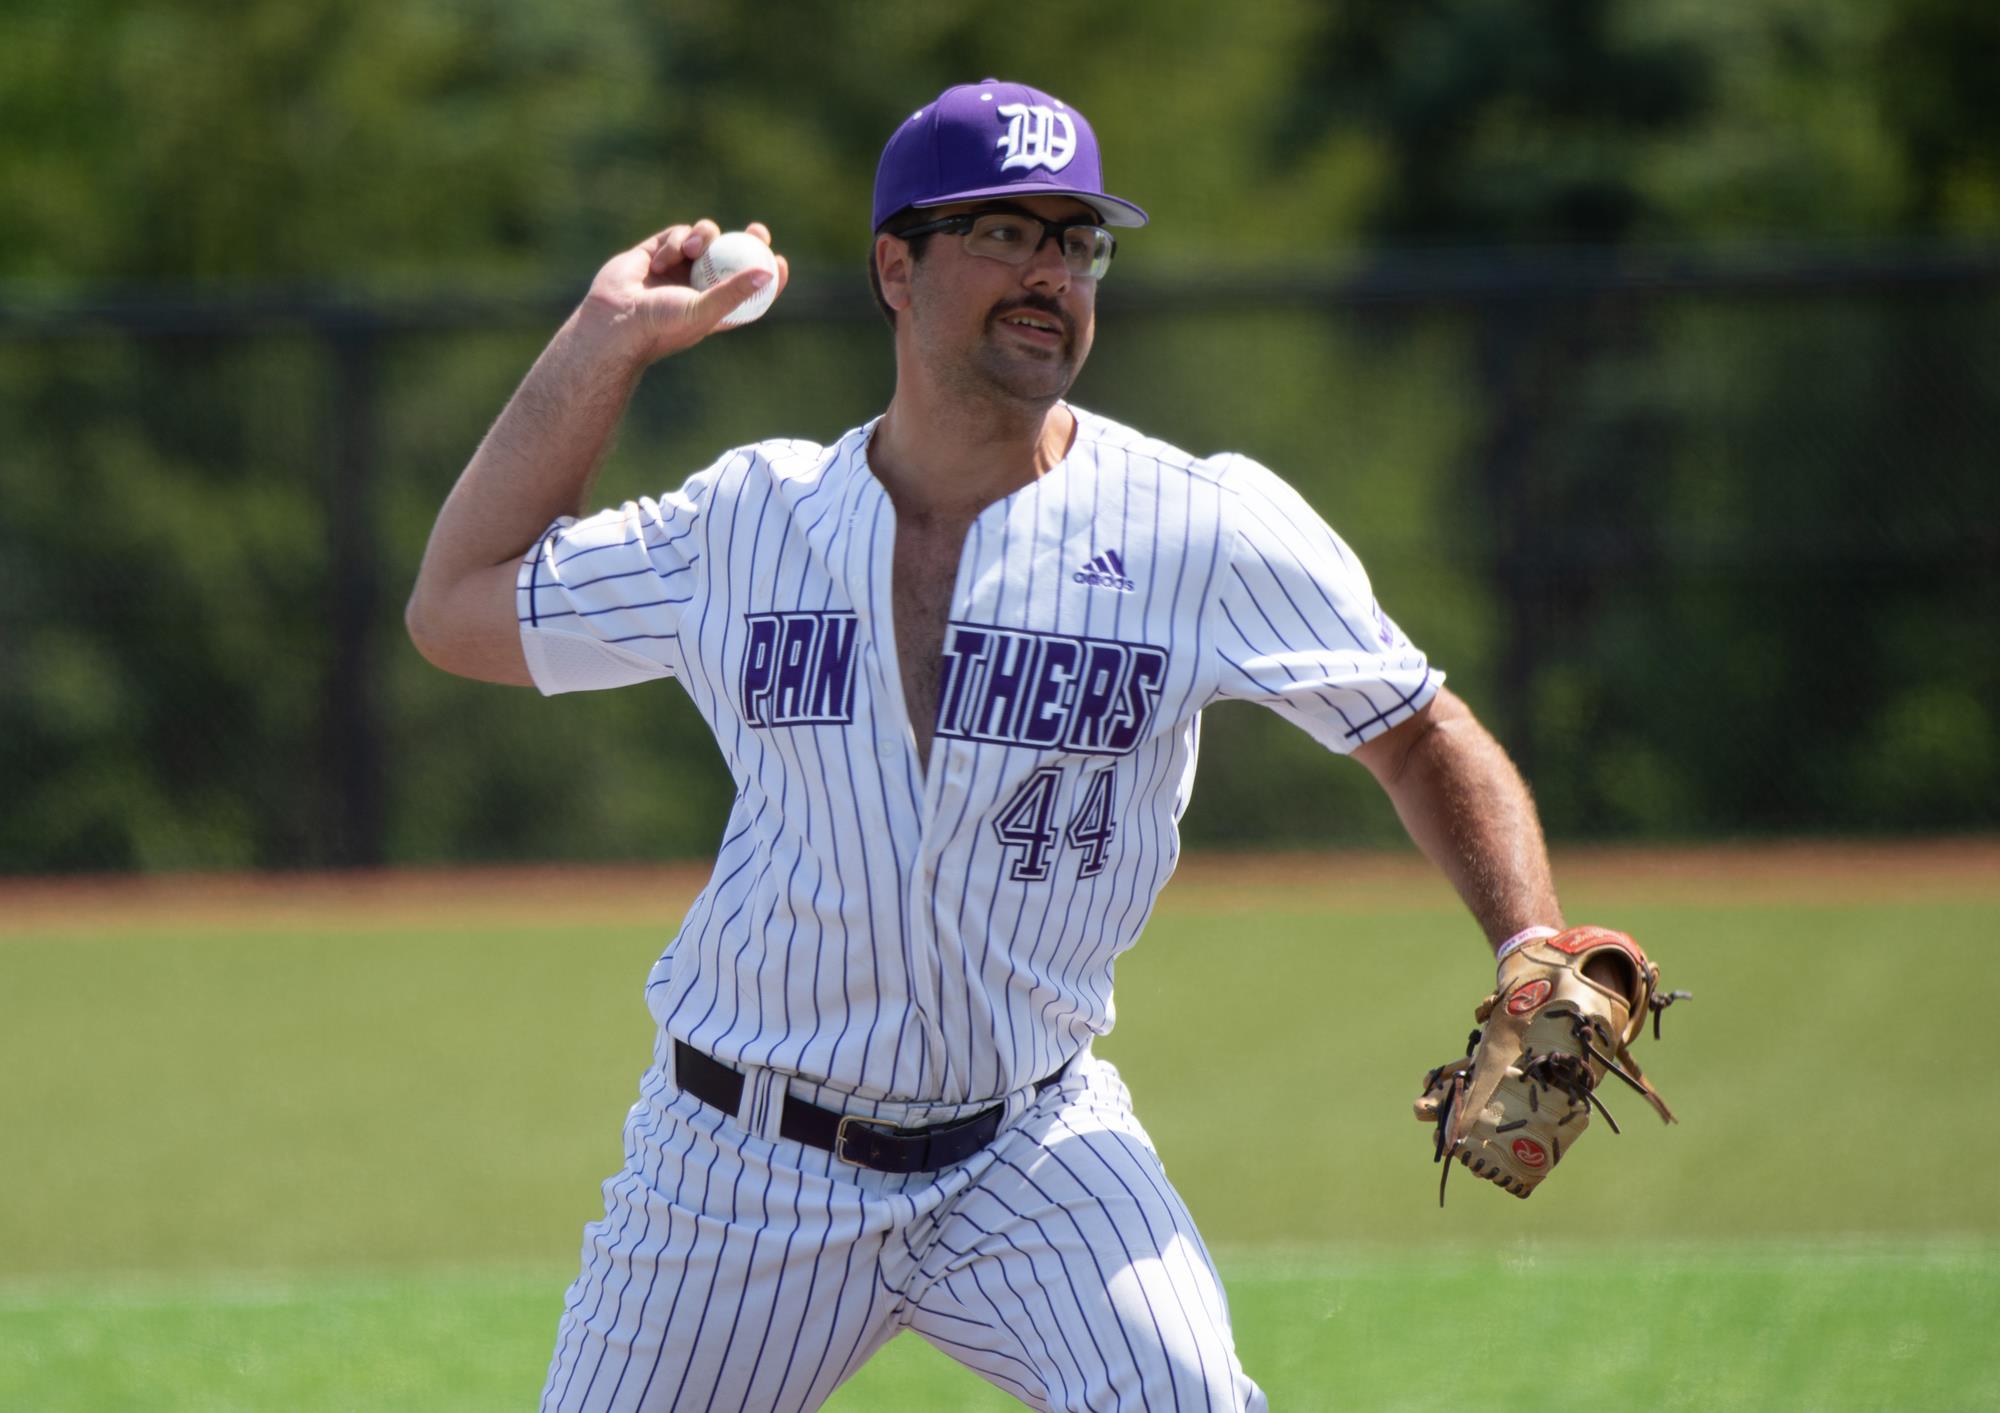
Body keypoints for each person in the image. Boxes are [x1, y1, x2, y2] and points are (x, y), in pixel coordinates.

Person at [407, 78, 1566, 1413]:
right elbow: (456, 604)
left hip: (1030, 1149)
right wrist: (608, 337)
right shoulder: (748, 520)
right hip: (738, 1160)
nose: (1049, 274)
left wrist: (1527, 939)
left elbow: (1419, 728)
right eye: (1005, 233)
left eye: (1076, 241)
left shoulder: (1200, 526)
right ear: (896, 268)